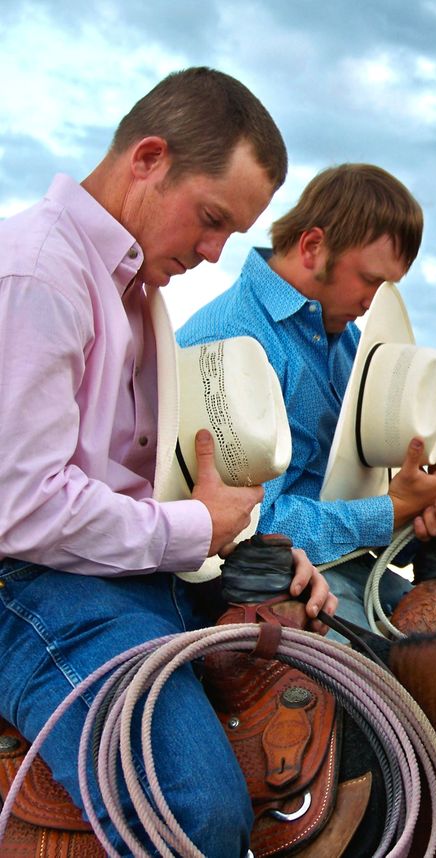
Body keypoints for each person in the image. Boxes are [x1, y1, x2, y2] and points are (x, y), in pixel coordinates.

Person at [0, 68, 337, 855]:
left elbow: (125, 485)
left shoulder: (132, 287)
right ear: (149, 158)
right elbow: (19, 505)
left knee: (334, 663)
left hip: (98, 578)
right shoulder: (39, 273)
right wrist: (197, 527)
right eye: (212, 220)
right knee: (193, 809)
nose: (216, 254)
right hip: (23, 586)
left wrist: (252, 558)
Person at [178, 163, 436, 632]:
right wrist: (392, 510)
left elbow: (353, 492)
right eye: (369, 280)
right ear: (313, 247)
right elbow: (251, 525)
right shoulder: (233, 340)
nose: (370, 303)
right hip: (256, 582)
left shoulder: (346, 344)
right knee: (391, 678)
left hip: (342, 569)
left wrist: (421, 515)